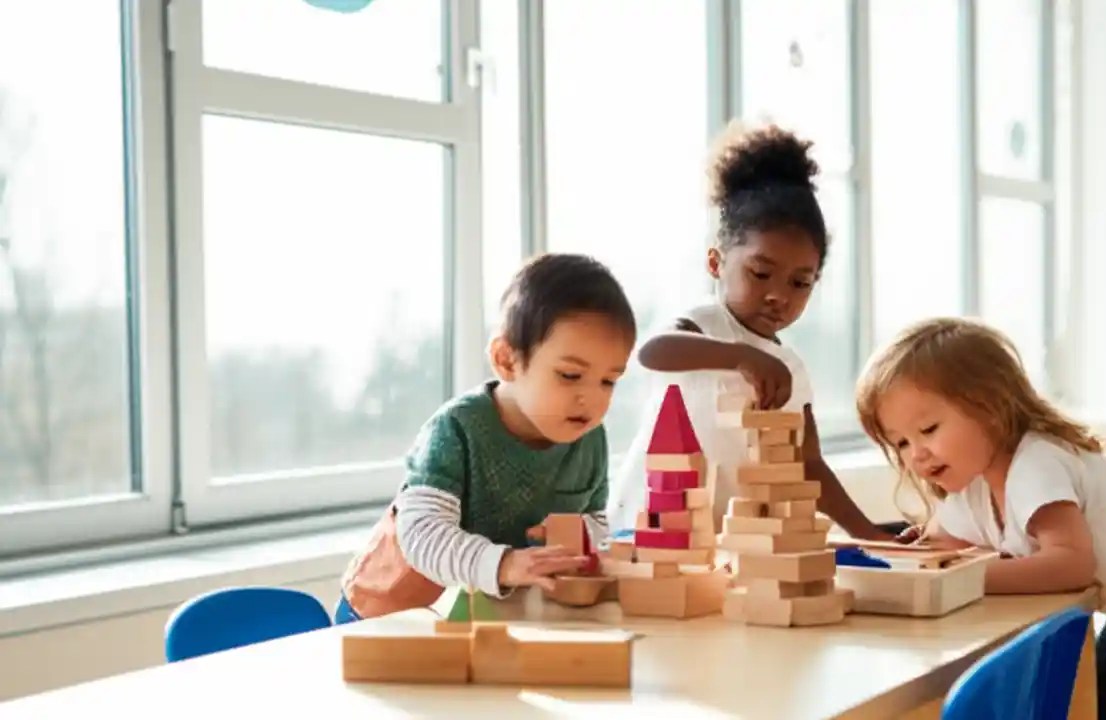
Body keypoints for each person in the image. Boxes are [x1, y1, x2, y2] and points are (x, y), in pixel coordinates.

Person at [856, 316, 1106, 720]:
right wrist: (911, 556)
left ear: (990, 408)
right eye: (901, 443)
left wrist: (962, 579)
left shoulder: (1036, 464)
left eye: (928, 429)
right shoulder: (971, 487)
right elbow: (944, 548)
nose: (915, 454)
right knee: (1093, 702)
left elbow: (1072, 564)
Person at [608, 122, 889, 540]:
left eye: (799, 283)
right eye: (760, 273)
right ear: (716, 262)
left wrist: (869, 533)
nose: (778, 295)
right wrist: (739, 357)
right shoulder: (703, 324)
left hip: (728, 547)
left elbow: (809, 465)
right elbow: (652, 351)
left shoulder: (790, 368)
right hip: (650, 533)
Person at [335, 253, 637, 623]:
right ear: (507, 360)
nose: (591, 398)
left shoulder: (588, 437)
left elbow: (595, 522)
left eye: (609, 380)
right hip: (388, 616)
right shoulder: (456, 429)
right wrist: (505, 564)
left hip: (487, 620)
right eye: (571, 375)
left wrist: (575, 536)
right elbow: (422, 535)